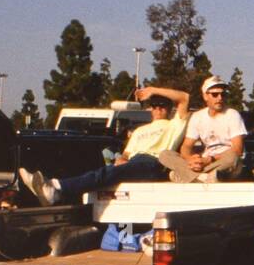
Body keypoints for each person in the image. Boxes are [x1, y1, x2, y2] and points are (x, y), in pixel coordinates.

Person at [20, 86, 190, 205]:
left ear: (169, 109)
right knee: (107, 171)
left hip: (154, 162)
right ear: (150, 109)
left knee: (105, 172)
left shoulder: (174, 126)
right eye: (155, 105)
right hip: (134, 162)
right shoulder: (139, 131)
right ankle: (55, 191)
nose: (159, 109)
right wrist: (122, 159)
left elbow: (184, 97)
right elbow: (126, 153)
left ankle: (56, 188)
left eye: (163, 106)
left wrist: (153, 90)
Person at [159, 76, 247, 183]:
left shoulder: (232, 114)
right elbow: (186, 146)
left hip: (223, 163)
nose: (220, 98)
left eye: (223, 94)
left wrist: (209, 160)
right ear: (205, 96)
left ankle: (188, 175)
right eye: (215, 95)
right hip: (204, 164)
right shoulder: (197, 117)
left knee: (233, 158)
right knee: (165, 155)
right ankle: (202, 177)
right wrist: (191, 160)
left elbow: (237, 149)